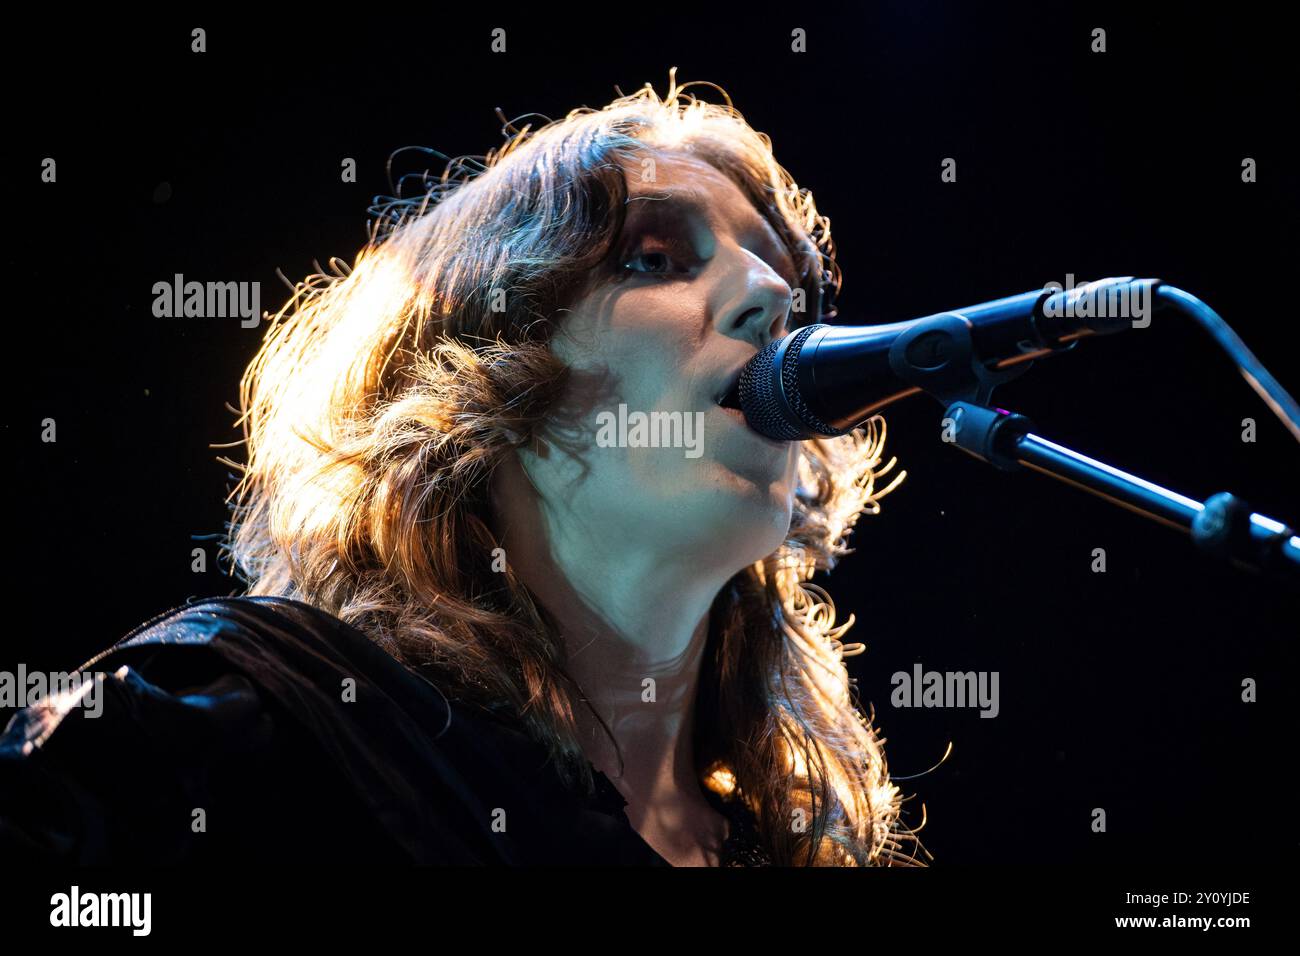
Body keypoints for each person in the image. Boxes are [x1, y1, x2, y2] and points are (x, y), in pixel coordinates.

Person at [0, 70, 921, 866]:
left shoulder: (786, 845)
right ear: (484, 375)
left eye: (782, 279)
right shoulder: (241, 737)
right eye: (653, 257)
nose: (769, 296)